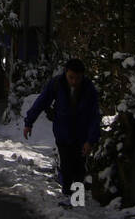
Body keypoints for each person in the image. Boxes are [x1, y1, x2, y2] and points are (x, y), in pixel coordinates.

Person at [23, 57, 101, 198]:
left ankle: (77, 199)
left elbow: (94, 115)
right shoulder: (57, 84)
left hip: (81, 134)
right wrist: (29, 122)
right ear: (65, 73)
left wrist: (90, 140)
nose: (74, 82)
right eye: (71, 77)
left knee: (79, 167)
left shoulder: (89, 89)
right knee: (66, 165)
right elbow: (41, 102)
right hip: (62, 132)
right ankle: (66, 195)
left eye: (77, 78)